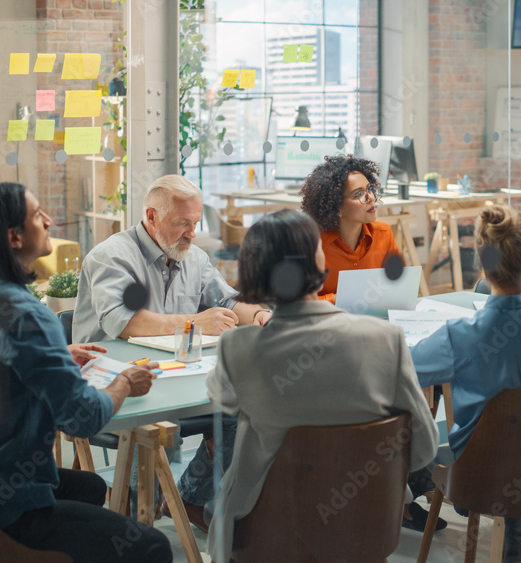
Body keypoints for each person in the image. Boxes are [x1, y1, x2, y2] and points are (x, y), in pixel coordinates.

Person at [0, 183, 170, 562]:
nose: (50, 220)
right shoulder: (23, 311)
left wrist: (53, 355)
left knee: (88, 487)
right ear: (13, 236)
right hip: (0, 504)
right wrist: (124, 383)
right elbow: (83, 419)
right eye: (38, 214)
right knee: (152, 546)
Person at [205, 209, 438, 563]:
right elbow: (423, 449)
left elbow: (221, 397)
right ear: (318, 258)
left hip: (269, 533)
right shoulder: (385, 339)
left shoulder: (238, 349)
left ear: (252, 271)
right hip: (367, 523)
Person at [73, 174, 267, 531]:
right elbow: (123, 319)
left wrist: (257, 314)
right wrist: (195, 321)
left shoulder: (193, 257)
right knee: (160, 423)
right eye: (183, 224)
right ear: (151, 216)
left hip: (177, 374)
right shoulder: (111, 256)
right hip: (112, 383)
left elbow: (226, 301)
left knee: (247, 409)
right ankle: (133, 522)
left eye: (196, 223)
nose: (192, 233)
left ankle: (192, 497)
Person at [411, 204, 521, 563]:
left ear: (482, 265)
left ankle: (417, 489)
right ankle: (516, 532)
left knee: (408, 426)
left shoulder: (459, 336)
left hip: (478, 477)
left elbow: (404, 372)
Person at [299, 155, 401, 303]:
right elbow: (299, 304)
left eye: (369, 189)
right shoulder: (312, 245)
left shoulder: (383, 234)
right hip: (326, 323)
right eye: (358, 194)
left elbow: (396, 285)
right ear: (337, 206)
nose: (371, 198)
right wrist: (339, 299)